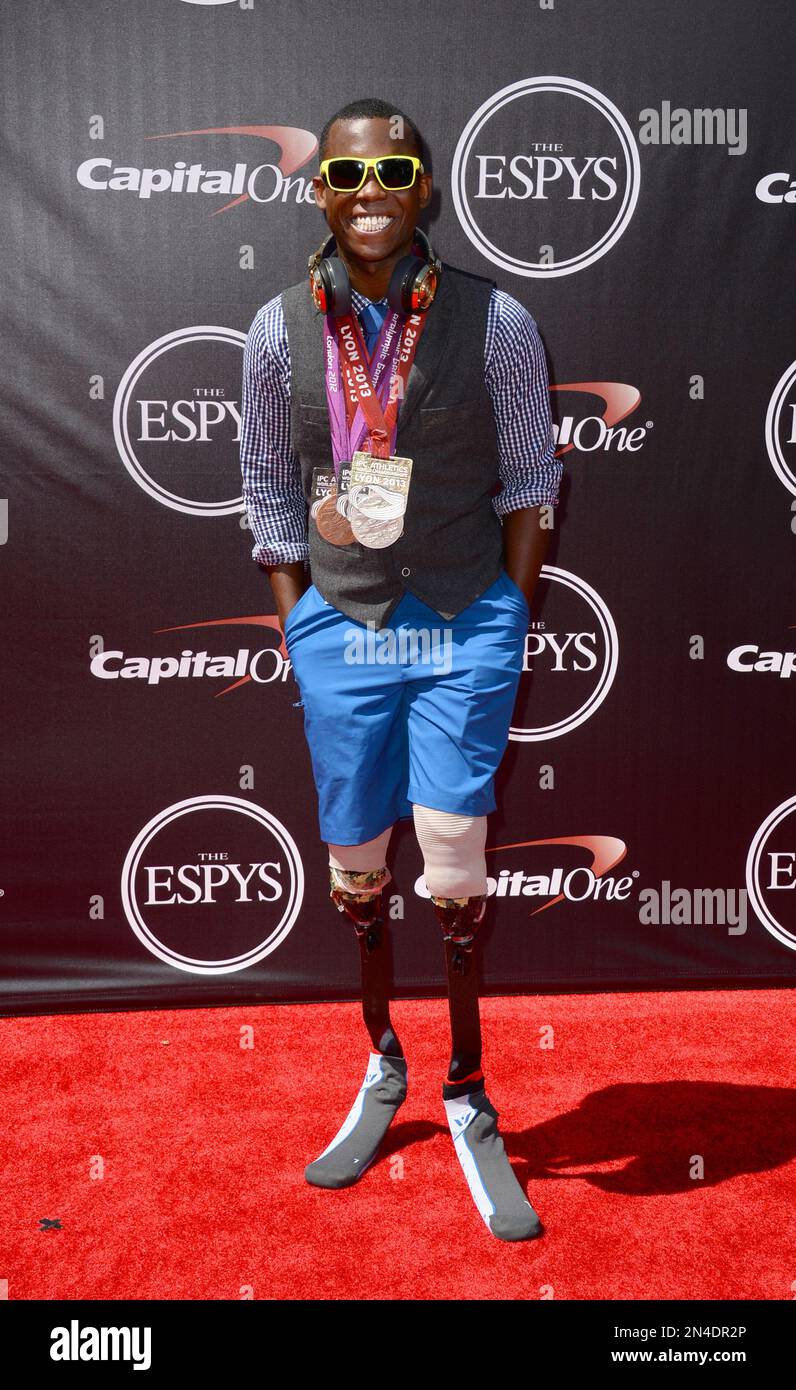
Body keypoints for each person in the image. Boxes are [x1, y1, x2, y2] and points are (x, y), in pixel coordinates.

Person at [240, 97, 562, 1242]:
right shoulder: (279, 330)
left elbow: (530, 480)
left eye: (390, 169)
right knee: (357, 859)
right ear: (318, 190)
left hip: (464, 616)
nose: (368, 189)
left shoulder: (499, 320)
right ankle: (382, 1059)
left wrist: (510, 609)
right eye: (346, 172)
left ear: (422, 183)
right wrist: (299, 627)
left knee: (454, 849)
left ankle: (466, 1085)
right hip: (342, 623)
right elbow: (273, 494)